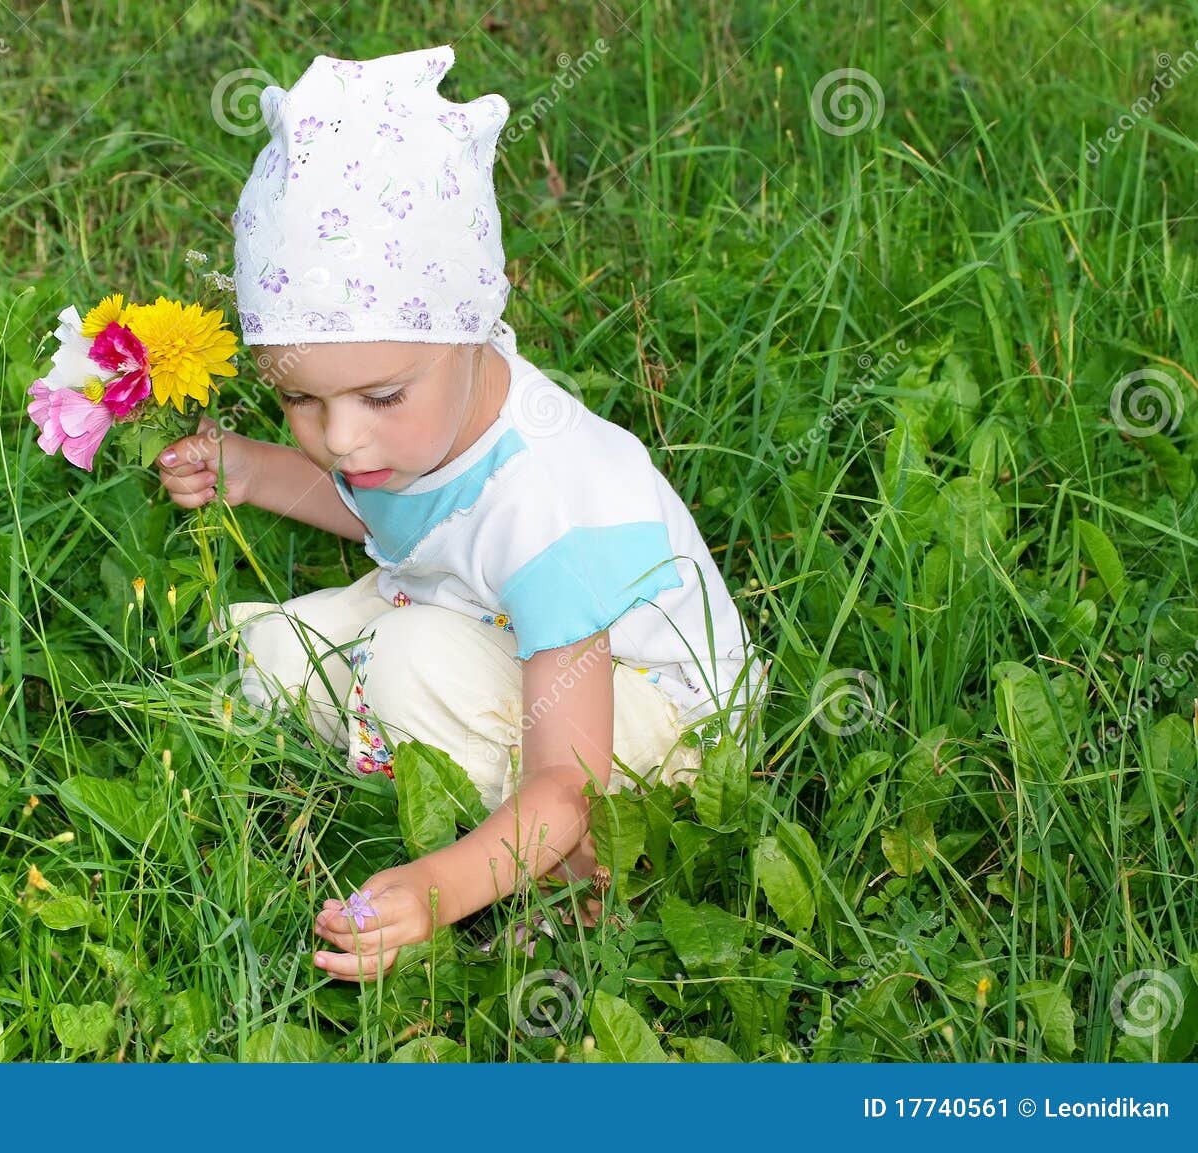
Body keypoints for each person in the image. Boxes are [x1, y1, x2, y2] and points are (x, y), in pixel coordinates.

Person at [157, 44, 763, 980]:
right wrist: (252, 471)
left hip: (651, 720)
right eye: (301, 402)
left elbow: (570, 774)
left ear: (473, 330)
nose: (344, 440)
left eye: (380, 398)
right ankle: (404, 734)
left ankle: (579, 875)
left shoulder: (559, 500)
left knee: (408, 663)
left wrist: (435, 886)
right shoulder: (413, 428)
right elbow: (395, 521)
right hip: (474, 608)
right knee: (268, 653)